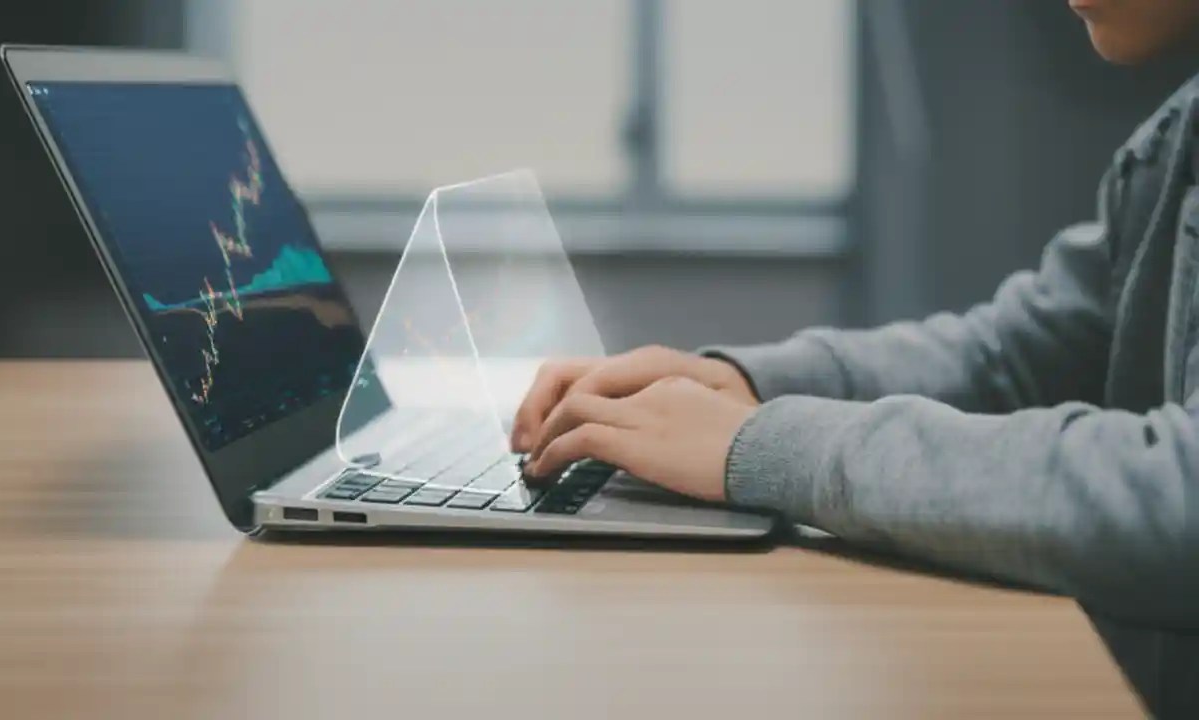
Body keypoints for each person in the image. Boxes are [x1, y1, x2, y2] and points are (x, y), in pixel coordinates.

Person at [513, 0, 1199, 631]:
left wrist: (766, 446)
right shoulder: (1178, 138)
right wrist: (743, 386)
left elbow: (1177, 502)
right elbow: (1016, 357)